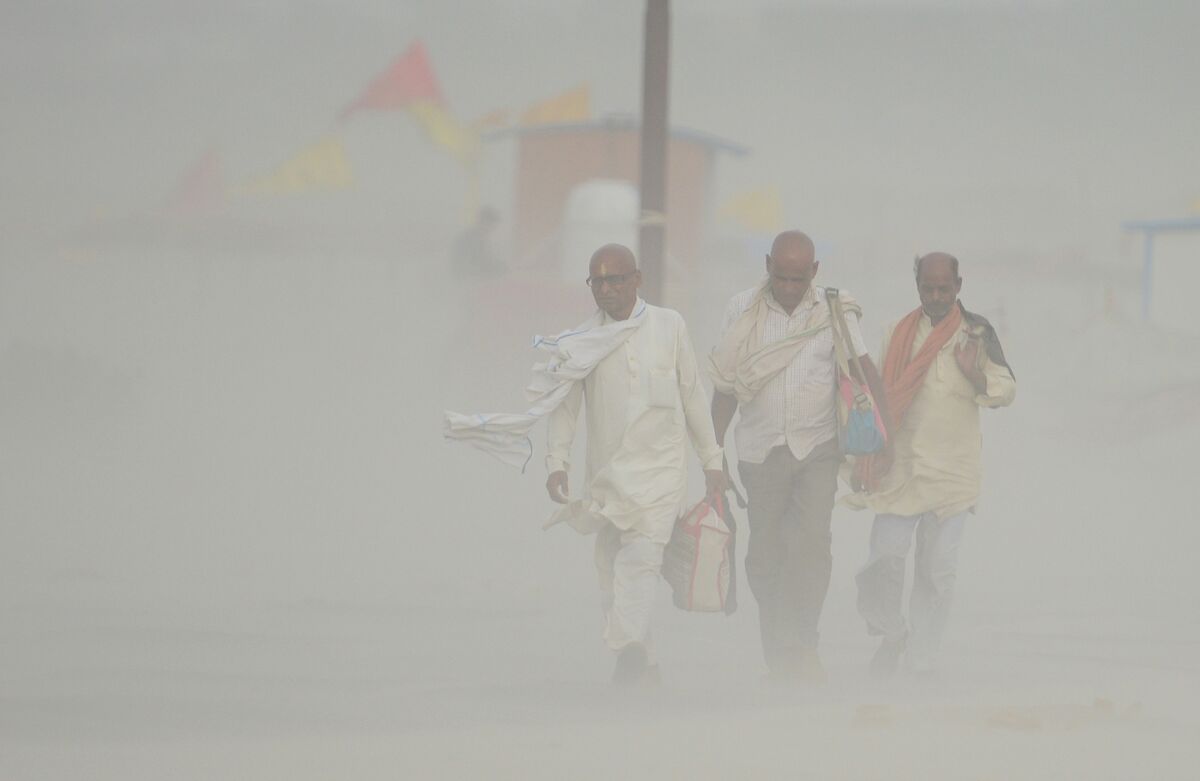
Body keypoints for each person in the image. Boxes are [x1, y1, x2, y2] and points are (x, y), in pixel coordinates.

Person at [544, 244, 727, 686]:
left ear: (637, 279)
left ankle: (625, 648)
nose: (606, 289)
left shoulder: (670, 326)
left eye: (616, 280)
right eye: (597, 282)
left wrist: (712, 460)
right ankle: (643, 662)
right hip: (609, 478)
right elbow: (564, 409)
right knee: (611, 568)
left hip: (662, 473)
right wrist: (557, 462)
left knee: (641, 560)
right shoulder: (579, 343)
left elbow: (692, 395)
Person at [709, 230, 887, 682]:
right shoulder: (740, 310)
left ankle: (804, 642)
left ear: (814, 272)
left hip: (818, 449)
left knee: (810, 547)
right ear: (767, 265)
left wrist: (886, 442)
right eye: (781, 277)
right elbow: (726, 385)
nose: (788, 289)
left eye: (797, 279)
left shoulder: (833, 309)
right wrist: (713, 454)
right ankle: (778, 647)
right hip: (758, 451)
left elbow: (865, 371)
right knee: (766, 555)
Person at [849, 252, 1016, 678]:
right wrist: (865, 454)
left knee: (938, 571)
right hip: (900, 466)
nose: (937, 296)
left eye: (945, 288)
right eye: (929, 288)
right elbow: (878, 396)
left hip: (953, 474)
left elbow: (1005, 389)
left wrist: (972, 373)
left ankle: (922, 654)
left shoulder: (978, 333)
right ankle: (892, 634)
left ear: (959, 285)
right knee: (884, 559)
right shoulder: (896, 332)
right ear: (918, 286)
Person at [450, 206, 504, 277]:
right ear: (482, 221)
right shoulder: (468, 239)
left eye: (493, 226)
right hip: (467, 283)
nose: (491, 229)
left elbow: (485, 261)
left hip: (474, 280)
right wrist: (495, 269)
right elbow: (474, 265)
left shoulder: (480, 239)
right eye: (490, 225)